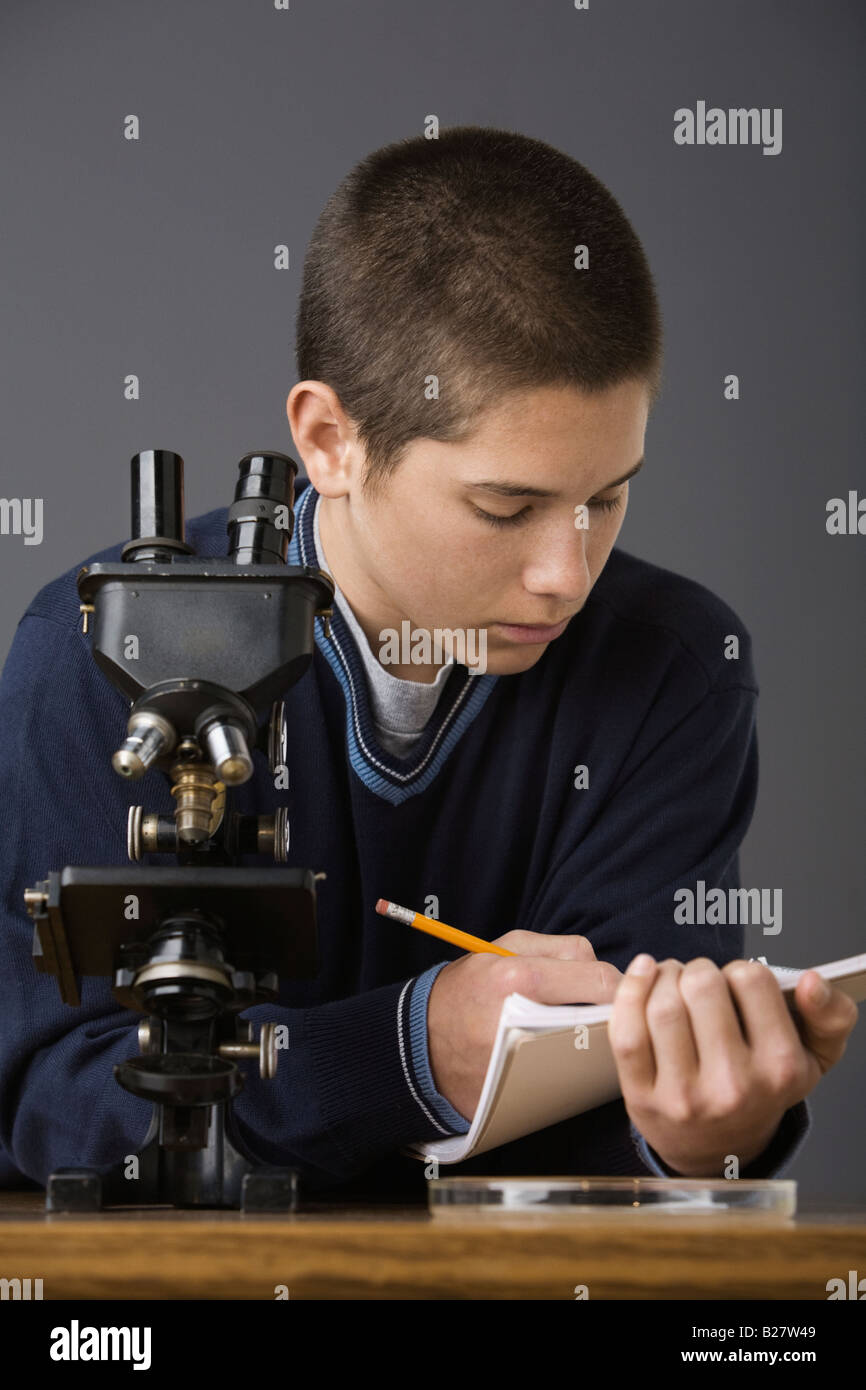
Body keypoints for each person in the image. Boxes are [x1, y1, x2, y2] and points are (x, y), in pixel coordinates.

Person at [0, 127, 856, 1197]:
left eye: (607, 494)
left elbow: (609, 1135)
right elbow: (41, 1098)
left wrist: (691, 1138)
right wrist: (411, 1049)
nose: (566, 572)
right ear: (328, 441)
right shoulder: (101, 653)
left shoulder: (675, 670)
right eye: (507, 506)